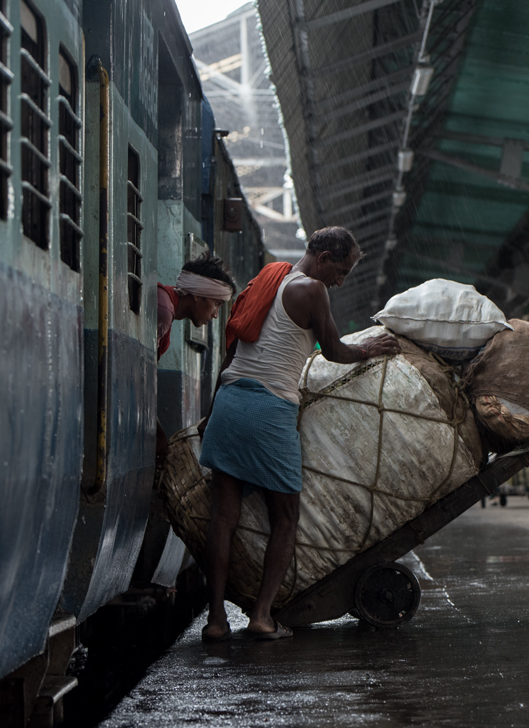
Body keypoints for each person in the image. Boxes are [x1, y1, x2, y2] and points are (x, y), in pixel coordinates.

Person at [197, 227, 398, 642]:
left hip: (231, 400)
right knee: (285, 518)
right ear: (323, 257)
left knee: (222, 519)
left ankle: (216, 620)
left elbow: (233, 348)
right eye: (341, 271)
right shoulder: (311, 290)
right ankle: (262, 616)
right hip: (270, 409)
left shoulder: (270, 277)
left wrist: (213, 410)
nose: (341, 281)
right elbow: (332, 349)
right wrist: (367, 351)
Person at [155, 254, 236, 467]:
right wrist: (158, 433)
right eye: (217, 304)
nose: (216, 315)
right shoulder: (162, 311)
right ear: (198, 295)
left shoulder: (165, 307)